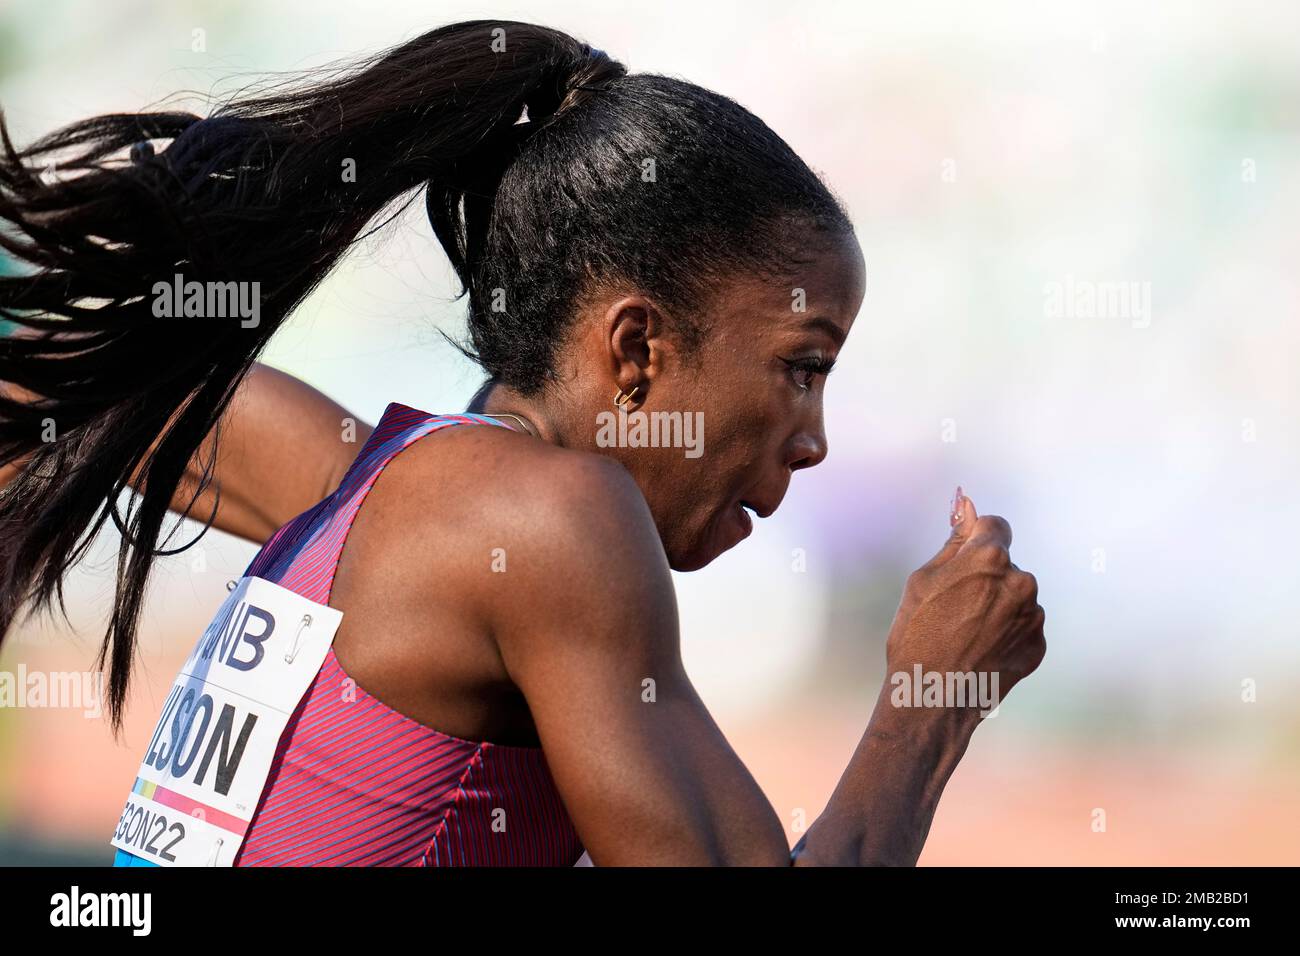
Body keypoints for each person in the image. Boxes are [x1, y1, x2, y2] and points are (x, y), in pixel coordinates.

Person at [0, 20, 1045, 865]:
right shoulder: (552, 520)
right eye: (801, 366)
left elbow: (49, 392)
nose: (813, 438)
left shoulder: (362, 482)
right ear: (636, 347)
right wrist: (930, 700)